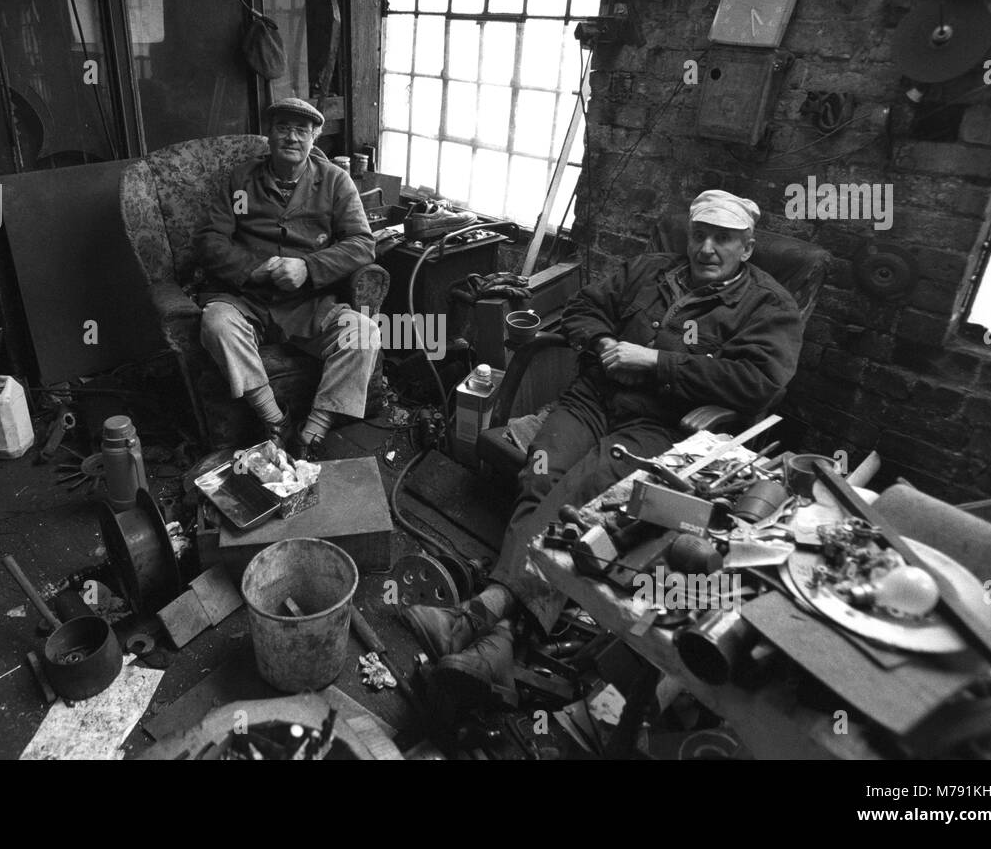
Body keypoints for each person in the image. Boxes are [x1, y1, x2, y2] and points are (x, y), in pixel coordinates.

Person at [403, 190, 805, 708]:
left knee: (577, 499)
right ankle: (500, 643)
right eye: (699, 234)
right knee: (540, 475)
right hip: (590, 398)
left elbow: (758, 384)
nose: (706, 248)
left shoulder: (769, 306)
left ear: (746, 248)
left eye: (722, 239)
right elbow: (584, 308)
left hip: (657, 426)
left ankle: (480, 618)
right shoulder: (649, 269)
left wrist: (654, 361)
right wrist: (600, 344)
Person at [196, 98, 379, 456]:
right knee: (216, 324)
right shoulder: (241, 180)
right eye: (283, 128)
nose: (291, 138)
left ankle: (311, 433)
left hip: (310, 303)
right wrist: (254, 268)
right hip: (248, 299)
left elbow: (362, 243)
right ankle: (275, 421)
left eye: (301, 131)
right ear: (270, 134)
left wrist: (308, 268)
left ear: (315, 138)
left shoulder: (335, 182)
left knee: (364, 333)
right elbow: (209, 240)